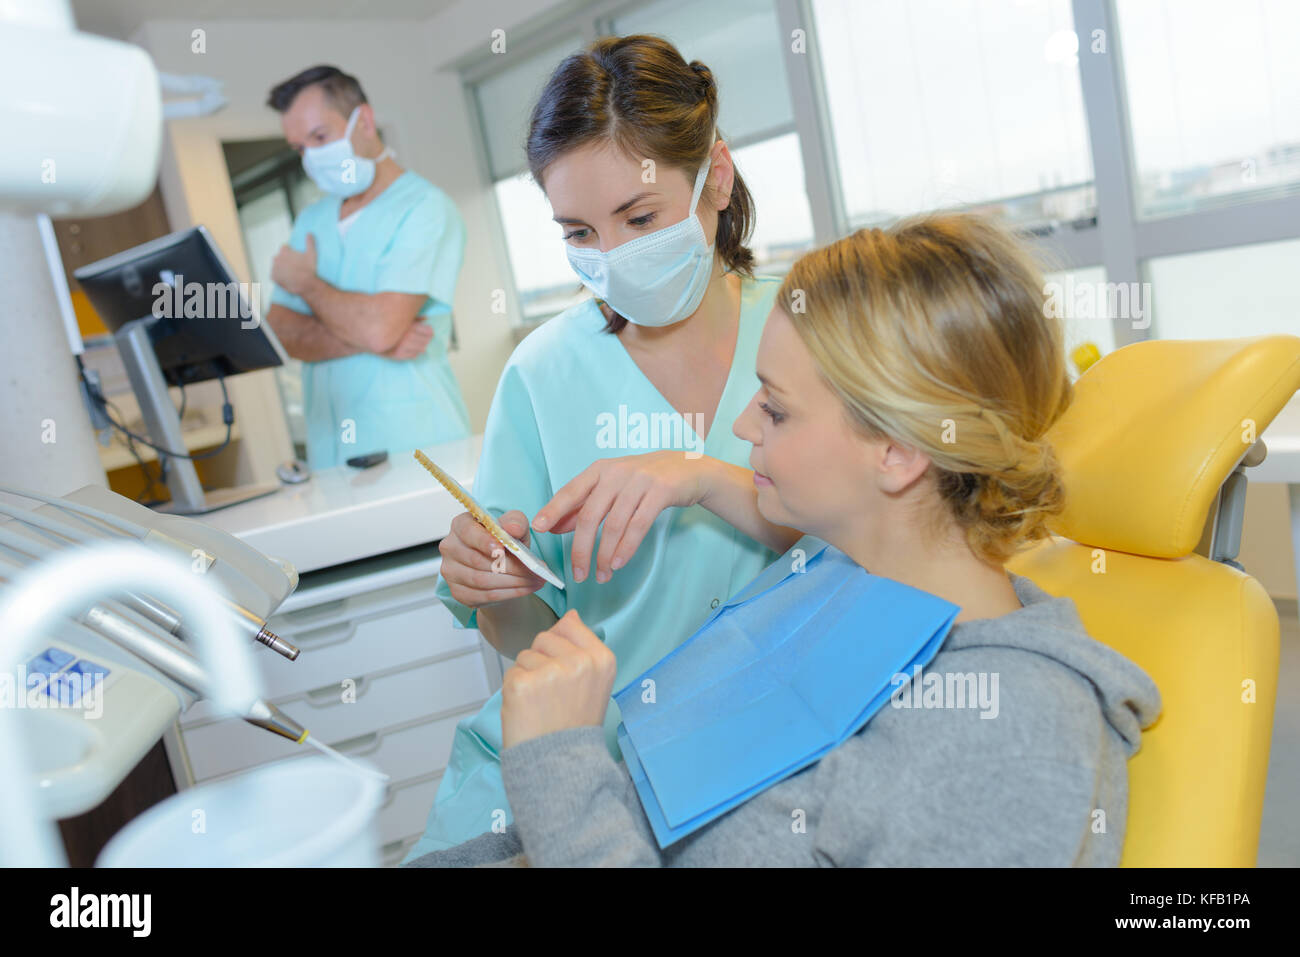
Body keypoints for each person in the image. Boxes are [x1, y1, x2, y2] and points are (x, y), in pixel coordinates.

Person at [405, 213, 1162, 867]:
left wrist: (560, 759)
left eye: (777, 409)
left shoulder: (1008, 735)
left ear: (898, 452)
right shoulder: (842, 577)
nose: (741, 425)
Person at [402, 35, 802, 862]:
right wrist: (495, 584)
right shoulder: (543, 373)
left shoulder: (811, 330)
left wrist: (698, 477)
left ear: (715, 178)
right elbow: (529, 636)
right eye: (579, 231)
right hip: (578, 755)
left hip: (757, 757)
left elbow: (878, 539)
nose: (613, 258)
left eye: (641, 218)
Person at [265, 65, 470, 470]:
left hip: (416, 448)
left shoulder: (425, 209)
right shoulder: (311, 221)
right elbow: (281, 335)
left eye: (320, 137)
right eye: (300, 148)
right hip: (331, 456)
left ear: (365, 120)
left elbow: (379, 328)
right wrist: (377, 340)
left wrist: (307, 284)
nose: (312, 156)